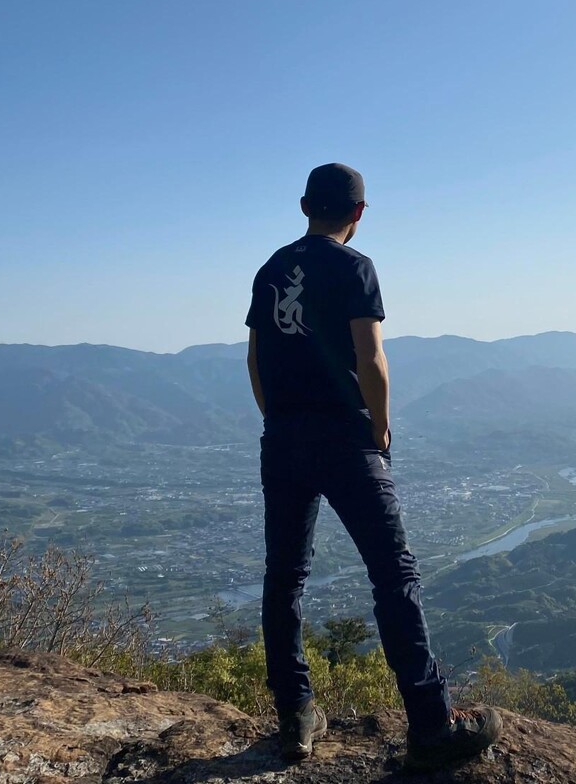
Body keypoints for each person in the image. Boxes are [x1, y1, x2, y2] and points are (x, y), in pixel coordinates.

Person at [245, 162, 502, 768]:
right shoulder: (355, 266)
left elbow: (256, 361)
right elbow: (372, 359)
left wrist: (278, 421)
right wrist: (379, 427)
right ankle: (431, 726)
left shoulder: (271, 268)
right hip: (345, 437)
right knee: (393, 573)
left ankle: (296, 715)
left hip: (283, 438)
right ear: (358, 213)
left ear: (304, 206)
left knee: (284, 578)